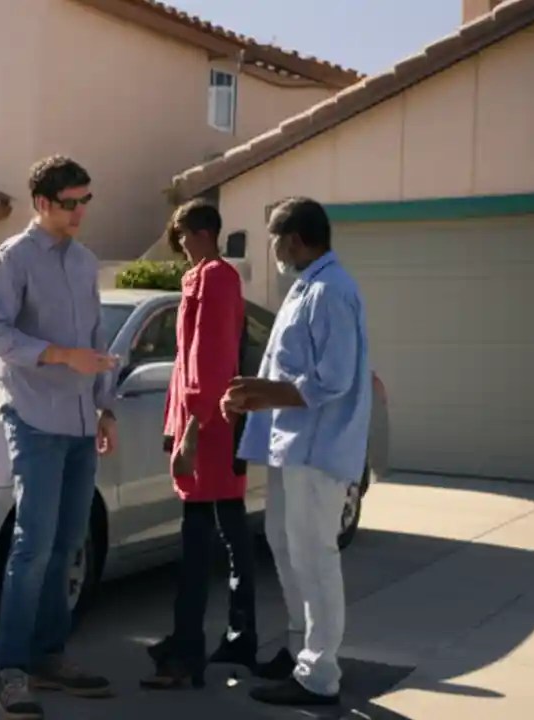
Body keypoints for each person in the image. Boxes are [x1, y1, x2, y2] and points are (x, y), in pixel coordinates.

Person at [0, 155, 119, 720]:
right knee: (32, 547)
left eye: (86, 199)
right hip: (35, 419)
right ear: (42, 203)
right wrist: (62, 357)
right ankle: (12, 673)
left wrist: (105, 406)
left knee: (68, 546)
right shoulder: (11, 259)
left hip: (83, 423)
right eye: (70, 203)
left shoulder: (86, 262)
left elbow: (96, 334)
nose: (80, 211)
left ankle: (49, 655)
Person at [223, 196, 372, 707]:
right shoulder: (305, 286)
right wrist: (254, 388)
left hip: (319, 450)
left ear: (293, 239)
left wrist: (263, 394)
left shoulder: (331, 290)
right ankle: (299, 649)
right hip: (294, 446)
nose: (273, 249)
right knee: (284, 546)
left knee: (315, 556)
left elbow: (334, 379)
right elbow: (287, 367)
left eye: (274, 238)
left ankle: (319, 674)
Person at [140, 199, 257, 690]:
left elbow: (207, 361)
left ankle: (186, 653)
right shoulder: (211, 278)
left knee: (195, 546)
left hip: (207, 429)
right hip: (209, 424)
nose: (181, 247)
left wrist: (190, 427)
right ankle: (239, 638)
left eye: (184, 236)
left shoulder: (212, 277)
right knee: (230, 535)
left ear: (202, 231)